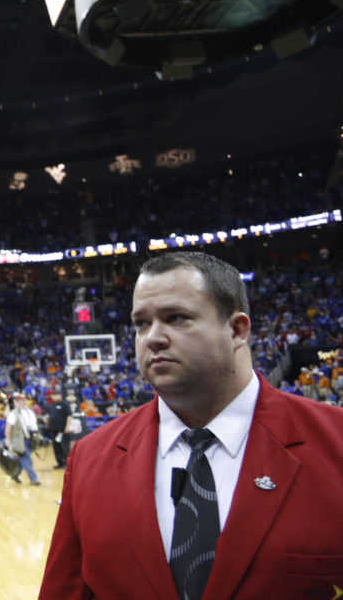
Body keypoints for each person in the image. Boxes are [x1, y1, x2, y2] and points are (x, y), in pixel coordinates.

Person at [40, 252, 343, 600]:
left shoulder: (335, 442)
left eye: (176, 318)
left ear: (237, 329)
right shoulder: (90, 459)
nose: (152, 337)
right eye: (141, 323)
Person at [4, 392, 41, 485]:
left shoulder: (30, 412)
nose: (24, 402)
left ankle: (15, 474)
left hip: (31, 439)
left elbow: (34, 426)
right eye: (21, 401)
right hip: (20, 440)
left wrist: (39, 435)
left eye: (25, 400)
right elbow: (8, 428)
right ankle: (34, 479)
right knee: (26, 458)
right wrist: (8, 441)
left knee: (22, 459)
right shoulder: (14, 414)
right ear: (17, 402)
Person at [43, 391, 73, 469]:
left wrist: (68, 427)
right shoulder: (51, 405)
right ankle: (60, 463)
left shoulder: (65, 405)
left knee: (65, 448)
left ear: (60, 396)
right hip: (54, 431)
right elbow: (50, 416)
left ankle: (68, 464)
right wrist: (47, 422)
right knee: (56, 448)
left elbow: (69, 416)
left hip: (63, 431)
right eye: (53, 395)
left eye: (57, 395)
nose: (55, 397)